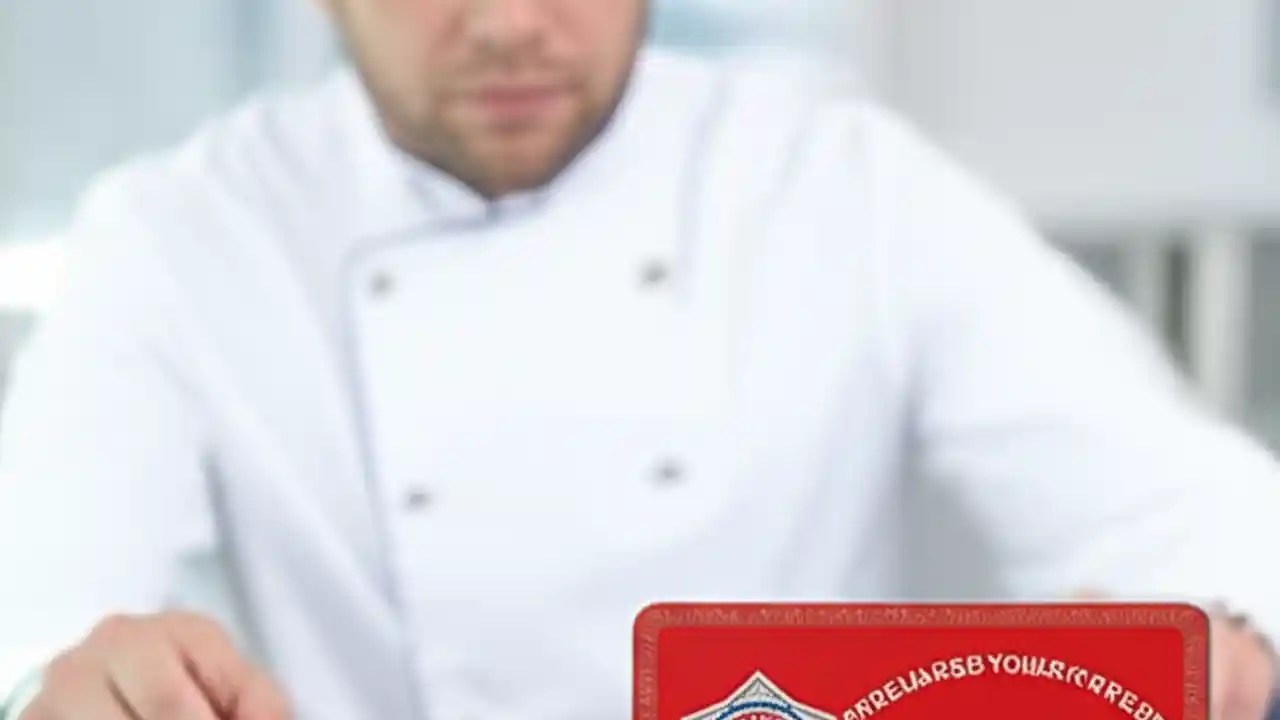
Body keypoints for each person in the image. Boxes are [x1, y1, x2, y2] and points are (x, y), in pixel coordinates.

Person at [1, 1, 1278, 718]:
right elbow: (39, 608)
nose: (507, 24)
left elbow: (1196, 508)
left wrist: (1220, 641)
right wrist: (77, 689)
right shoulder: (180, 233)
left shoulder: (840, 180)